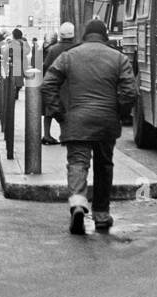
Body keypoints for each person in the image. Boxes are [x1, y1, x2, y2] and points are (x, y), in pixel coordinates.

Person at [41, 18, 135, 235]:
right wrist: (119, 112)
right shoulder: (119, 58)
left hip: (76, 122)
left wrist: (58, 112)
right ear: (105, 36)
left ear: (84, 35)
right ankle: (101, 214)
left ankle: (78, 204)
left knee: (77, 163)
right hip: (105, 122)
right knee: (104, 166)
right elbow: (130, 92)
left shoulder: (68, 56)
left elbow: (48, 84)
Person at [41, 22, 77, 144]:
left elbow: (45, 66)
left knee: (49, 111)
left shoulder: (53, 49)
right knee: (68, 111)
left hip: (54, 85)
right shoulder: (76, 48)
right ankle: (65, 135)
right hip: (71, 85)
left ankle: (46, 135)